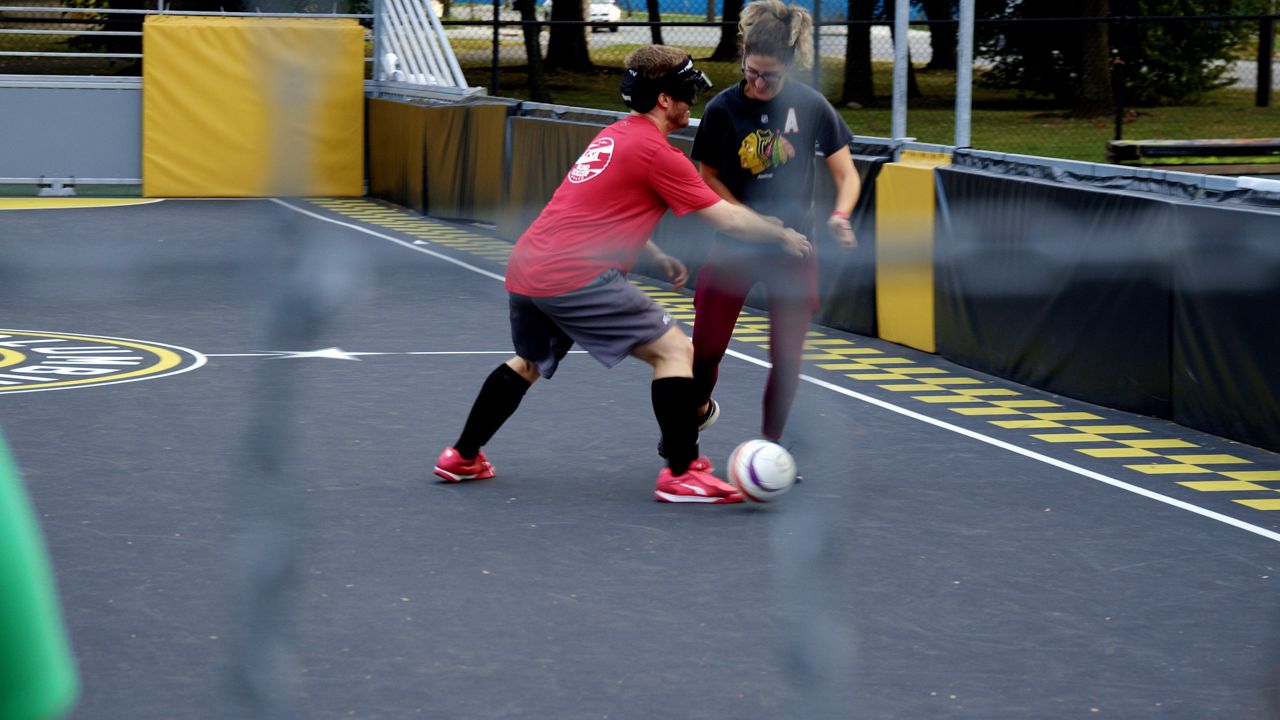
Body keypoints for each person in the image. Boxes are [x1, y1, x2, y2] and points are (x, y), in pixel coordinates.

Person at [433, 45, 812, 504]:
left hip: (531, 265)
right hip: (574, 274)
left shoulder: (612, 136)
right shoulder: (657, 152)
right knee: (675, 351)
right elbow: (728, 219)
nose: (692, 103)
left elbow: (591, 208)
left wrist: (652, 253)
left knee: (527, 363)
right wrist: (779, 234)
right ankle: (682, 474)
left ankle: (462, 455)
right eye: (687, 93)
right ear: (664, 100)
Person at [688, 0, 861, 446]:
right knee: (706, 349)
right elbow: (707, 177)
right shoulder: (723, 108)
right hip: (735, 246)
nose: (759, 83)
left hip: (794, 248)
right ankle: (696, 409)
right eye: (752, 72)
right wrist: (747, 219)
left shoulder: (810, 105)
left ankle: (770, 447)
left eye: (771, 76)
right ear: (743, 59)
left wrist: (840, 215)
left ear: (790, 66)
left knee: (787, 358)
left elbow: (846, 174)